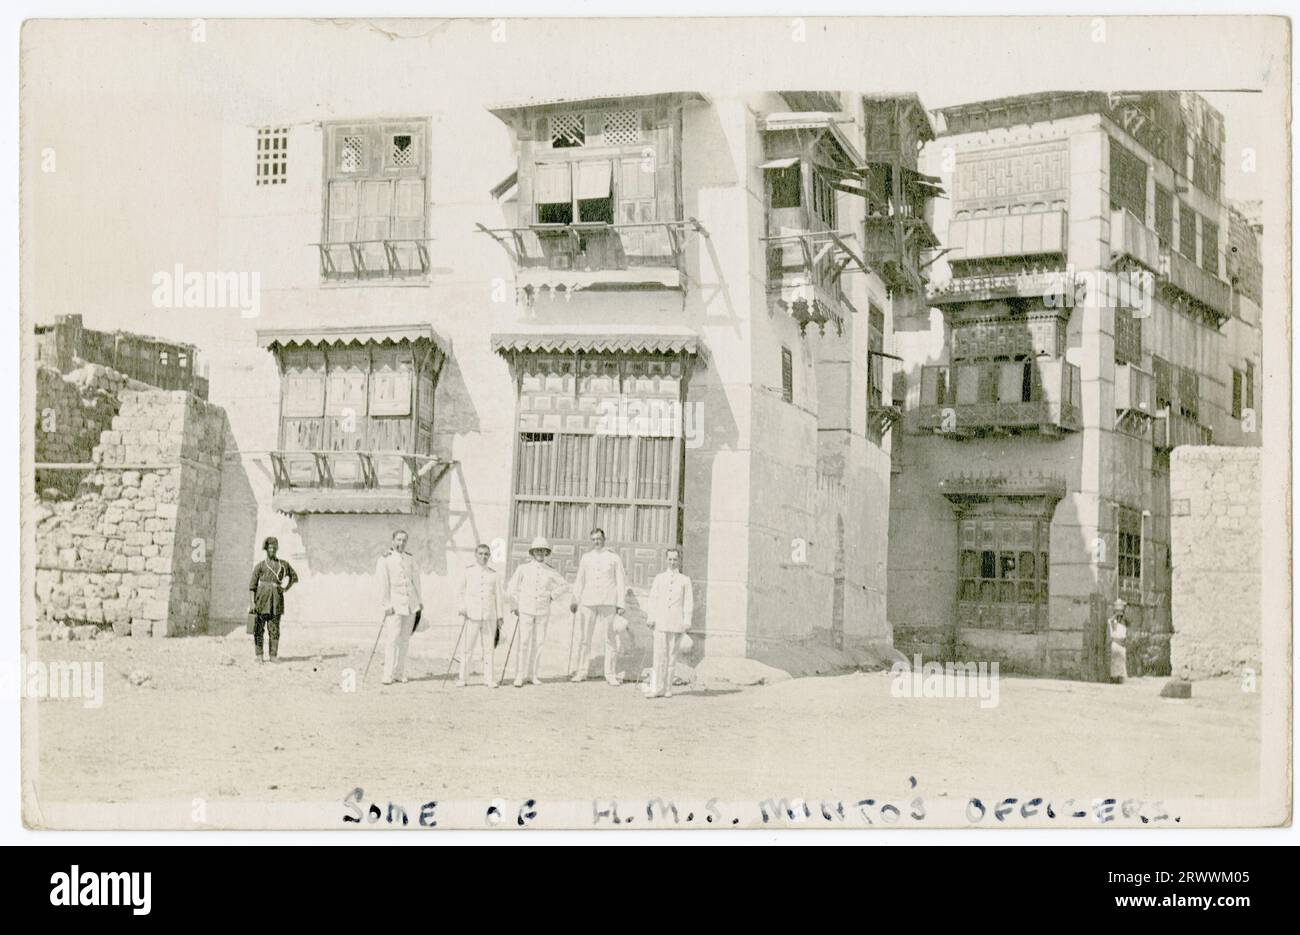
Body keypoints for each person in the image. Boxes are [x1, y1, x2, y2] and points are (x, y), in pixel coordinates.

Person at [505, 536, 570, 687]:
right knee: (524, 642)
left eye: (543, 550)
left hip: (542, 610)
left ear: (546, 553)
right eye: (537, 550)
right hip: (526, 609)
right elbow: (511, 588)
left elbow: (565, 585)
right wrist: (514, 605)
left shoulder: (550, 571)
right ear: (533, 552)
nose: (540, 553)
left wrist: (552, 595)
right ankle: (519, 675)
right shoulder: (523, 568)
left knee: (539, 642)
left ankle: (533, 675)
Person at [570, 528, 628, 685]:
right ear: (591, 540)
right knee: (584, 638)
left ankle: (610, 674)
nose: (596, 541)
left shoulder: (614, 558)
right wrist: (575, 598)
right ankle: (582, 672)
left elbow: (621, 581)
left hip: (608, 601)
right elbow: (580, 579)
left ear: (604, 539)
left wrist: (620, 604)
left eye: (599, 538)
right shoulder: (586, 558)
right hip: (588, 601)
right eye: (594, 539)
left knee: (610, 638)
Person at [376, 529, 423, 686]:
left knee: (404, 641)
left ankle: (399, 673)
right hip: (395, 607)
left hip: (410, 605)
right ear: (393, 540)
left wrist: (419, 601)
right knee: (392, 640)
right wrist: (386, 605)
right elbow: (382, 584)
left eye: (404, 540)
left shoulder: (410, 558)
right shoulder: (385, 560)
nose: (401, 543)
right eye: (398, 540)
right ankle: (387, 674)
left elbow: (416, 580)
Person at [645, 548, 694, 698]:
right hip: (661, 621)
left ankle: (667, 688)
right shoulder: (659, 578)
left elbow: (688, 602)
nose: (672, 562)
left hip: (676, 622)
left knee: (672, 656)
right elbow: (653, 598)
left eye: (675, 559)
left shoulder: (685, 580)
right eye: (670, 559)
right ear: (666, 560)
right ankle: (656, 688)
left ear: (679, 560)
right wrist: (651, 617)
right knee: (658, 655)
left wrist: (687, 621)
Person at [456, 543, 505, 688]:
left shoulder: (494, 574)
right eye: (481, 554)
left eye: (486, 554)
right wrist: (462, 608)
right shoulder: (468, 571)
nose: (483, 557)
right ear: (475, 555)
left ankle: (489, 679)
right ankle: (462, 678)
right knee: (467, 648)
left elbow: (498, 597)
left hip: (489, 615)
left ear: (489, 556)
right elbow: (459, 592)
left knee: (489, 649)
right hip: (472, 615)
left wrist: (500, 616)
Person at [247, 536, 298, 663]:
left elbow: (294, 577)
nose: (272, 549)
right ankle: (259, 655)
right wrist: (252, 603)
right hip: (261, 601)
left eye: (274, 547)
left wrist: (285, 588)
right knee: (258, 628)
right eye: (270, 547)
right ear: (266, 549)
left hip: (276, 601)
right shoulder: (260, 566)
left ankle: (273, 656)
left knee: (274, 628)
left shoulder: (283, 565)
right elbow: (252, 586)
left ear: (277, 548)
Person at [1108, 598, 1128, 684]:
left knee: (1120, 665)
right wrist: (1116, 615)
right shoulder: (1113, 621)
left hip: (1120, 645)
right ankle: (1115, 680)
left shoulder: (1123, 622)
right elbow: (1114, 627)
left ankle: (1118, 680)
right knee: (1116, 665)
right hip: (1116, 644)